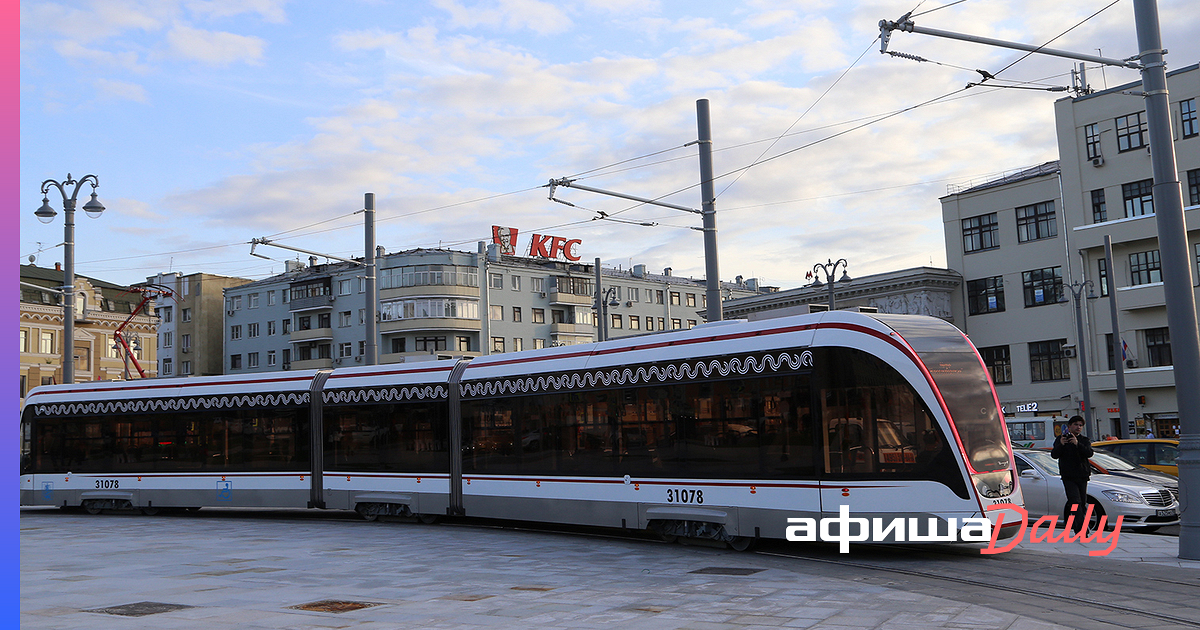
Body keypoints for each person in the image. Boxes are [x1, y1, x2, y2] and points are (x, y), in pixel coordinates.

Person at [1051, 416, 1093, 533]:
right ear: (1069, 426)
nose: (1078, 427)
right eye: (1076, 425)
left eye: (1080, 425)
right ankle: (1081, 530)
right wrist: (1061, 444)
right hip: (1068, 476)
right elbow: (1054, 455)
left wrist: (1077, 444)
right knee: (1075, 501)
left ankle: (1076, 524)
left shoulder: (1084, 440)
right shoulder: (1061, 439)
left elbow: (1089, 453)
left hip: (1082, 475)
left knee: (1082, 502)